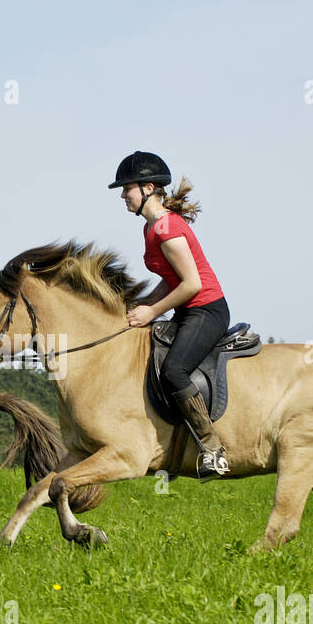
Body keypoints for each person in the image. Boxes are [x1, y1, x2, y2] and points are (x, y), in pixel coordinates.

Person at [111, 150, 231, 479]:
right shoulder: (151, 228)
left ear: (148, 187)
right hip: (186, 309)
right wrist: (142, 306)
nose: (122, 196)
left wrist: (152, 310)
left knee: (174, 371)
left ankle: (211, 447)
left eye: (127, 189)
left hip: (206, 310)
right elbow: (170, 279)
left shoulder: (167, 229)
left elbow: (191, 283)